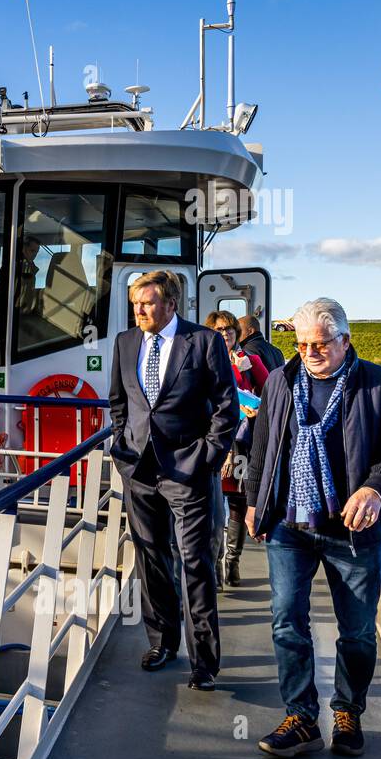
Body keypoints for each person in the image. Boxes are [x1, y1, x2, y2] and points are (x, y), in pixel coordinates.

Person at [245, 297, 381, 758]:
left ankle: (347, 711)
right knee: (286, 621)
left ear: (346, 341)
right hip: (289, 525)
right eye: (302, 345)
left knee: (357, 631)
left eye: (320, 344)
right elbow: (262, 446)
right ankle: (301, 717)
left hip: (352, 530)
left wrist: (375, 488)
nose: (310, 353)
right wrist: (252, 502)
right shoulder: (282, 381)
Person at [109, 271, 240, 690]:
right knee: (151, 558)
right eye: (135, 305)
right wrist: (120, 444)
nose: (139, 311)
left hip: (188, 469)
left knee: (195, 562)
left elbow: (226, 407)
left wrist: (207, 456)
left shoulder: (203, 342)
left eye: (146, 304)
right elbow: (119, 401)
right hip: (139, 470)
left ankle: (204, 662)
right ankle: (162, 641)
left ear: (170, 304)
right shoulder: (125, 342)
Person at [205, 309, 268, 588]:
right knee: (213, 507)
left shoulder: (251, 360)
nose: (226, 333)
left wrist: (256, 409)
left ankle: (232, 562)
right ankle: (216, 565)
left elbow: (272, 394)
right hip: (213, 443)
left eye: (230, 329)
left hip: (242, 444)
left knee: (238, 507)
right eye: (219, 329)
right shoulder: (201, 361)